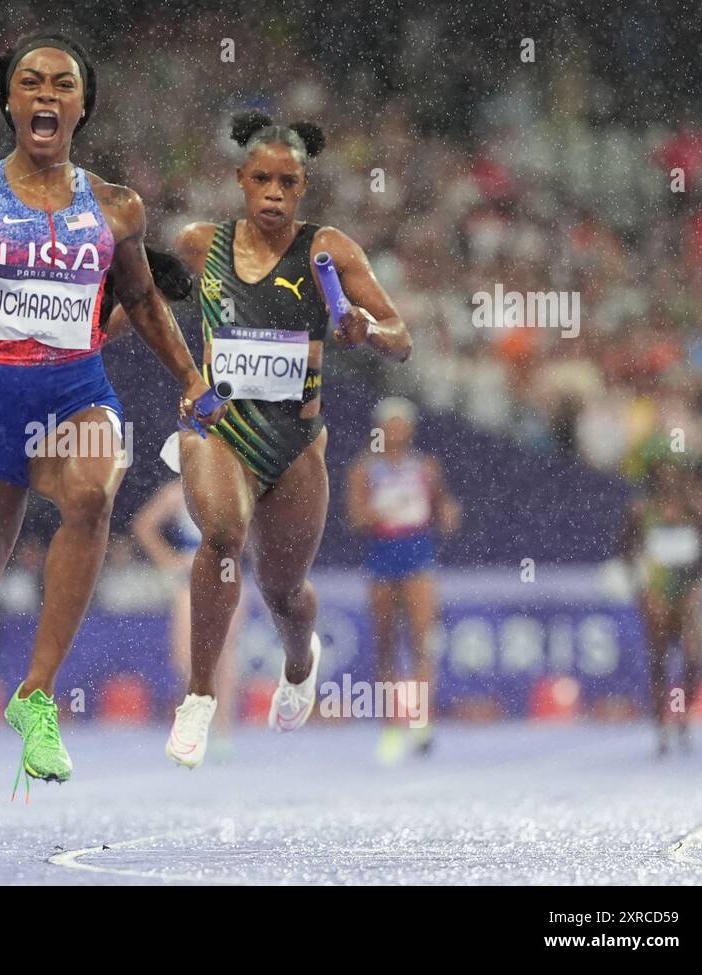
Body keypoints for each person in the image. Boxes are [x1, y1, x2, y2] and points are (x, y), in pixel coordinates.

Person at [0, 31, 217, 860]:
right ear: (8, 101)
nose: (44, 93)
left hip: (75, 393)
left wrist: (189, 375)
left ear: (79, 105)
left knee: (97, 489)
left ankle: (35, 694)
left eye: (61, 83)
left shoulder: (116, 208)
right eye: (29, 81)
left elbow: (139, 299)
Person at [108, 110, 413, 768]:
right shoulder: (199, 244)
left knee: (283, 592)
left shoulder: (328, 250)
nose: (274, 192)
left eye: (288, 182)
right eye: (262, 179)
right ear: (242, 181)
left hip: (296, 444)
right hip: (219, 429)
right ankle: (198, 699)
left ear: (303, 188)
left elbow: (401, 336)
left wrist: (364, 328)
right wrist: (100, 331)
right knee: (220, 536)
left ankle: (300, 662)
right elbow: (143, 298)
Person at [346, 397, 460, 763]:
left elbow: (443, 508)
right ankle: (392, 726)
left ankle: (422, 721)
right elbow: (355, 519)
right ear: (380, 430)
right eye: (389, 425)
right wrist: (379, 510)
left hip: (418, 554)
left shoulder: (425, 466)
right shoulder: (365, 470)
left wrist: (447, 513)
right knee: (386, 645)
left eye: (401, 424)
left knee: (422, 641)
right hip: (382, 556)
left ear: (409, 429)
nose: (396, 431)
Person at [133, 478, 244, 748]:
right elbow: (143, 525)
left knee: (224, 655)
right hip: (189, 578)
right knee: (184, 656)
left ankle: (223, 730)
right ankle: (199, 720)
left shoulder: (236, 487)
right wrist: (167, 559)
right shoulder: (177, 491)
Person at [620, 456, 702, 756]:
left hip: (685, 592)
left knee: (693, 660)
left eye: (674, 479)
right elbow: (625, 550)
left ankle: (682, 713)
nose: (669, 484)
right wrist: (640, 586)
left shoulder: (695, 512)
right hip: (657, 591)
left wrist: (697, 586)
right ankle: (661, 728)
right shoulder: (641, 512)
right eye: (663, 479)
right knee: (659, 660)